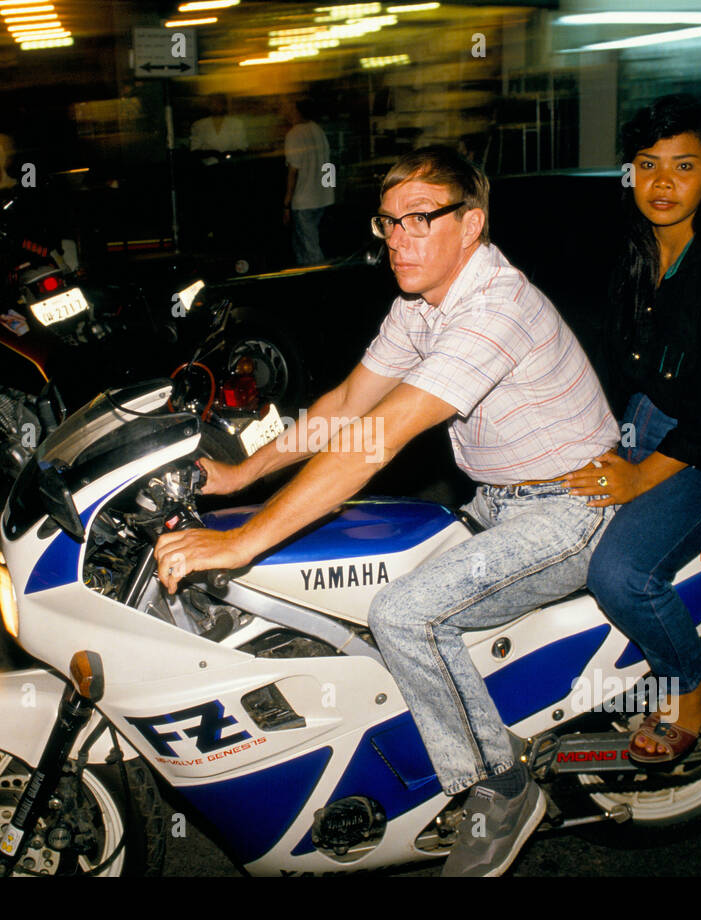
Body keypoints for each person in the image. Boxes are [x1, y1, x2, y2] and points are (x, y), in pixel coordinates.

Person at [154, 146, 619, 876]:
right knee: (348, 585)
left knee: (405, 613)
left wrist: (242, 539)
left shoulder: (493, 307)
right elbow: (346, 405)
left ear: (472, 224)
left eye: (419, 220)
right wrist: (241, 473)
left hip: (573, 510)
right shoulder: (420, 303)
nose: (397, 238)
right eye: (389, 221)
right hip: (495, 498)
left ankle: (502, 787)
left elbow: (377, 441)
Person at [563, 94, 701, 764]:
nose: (661, 182)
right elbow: (618, 369)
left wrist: (636, 475)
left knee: (620, 571)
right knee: (549, 519)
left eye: (683, 166)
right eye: (647, 164)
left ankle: (695, 687)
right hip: (645, 423)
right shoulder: (638, 253)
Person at [282, 98, 334, 265]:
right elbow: (328, 163)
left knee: (309, 247)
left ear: (296, 110)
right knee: (304, 244)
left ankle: (319, 279)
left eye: (288, 108)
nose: (285, 112)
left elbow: (293, 171)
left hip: (303, 201)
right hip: (323, 198)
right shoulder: (318, 130)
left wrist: (286, 203)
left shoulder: (293, 134)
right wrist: (329, 189)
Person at [190, 94, 247, 160]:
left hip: (231, 163)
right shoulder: (198, 125)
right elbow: (194, 149)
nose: (216, 106)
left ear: (225, 105)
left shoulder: (237, 123)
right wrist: (211, 153)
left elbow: (242, 148)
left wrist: (227, 155)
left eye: (219, 103)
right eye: (213, 104)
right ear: (208, 106)